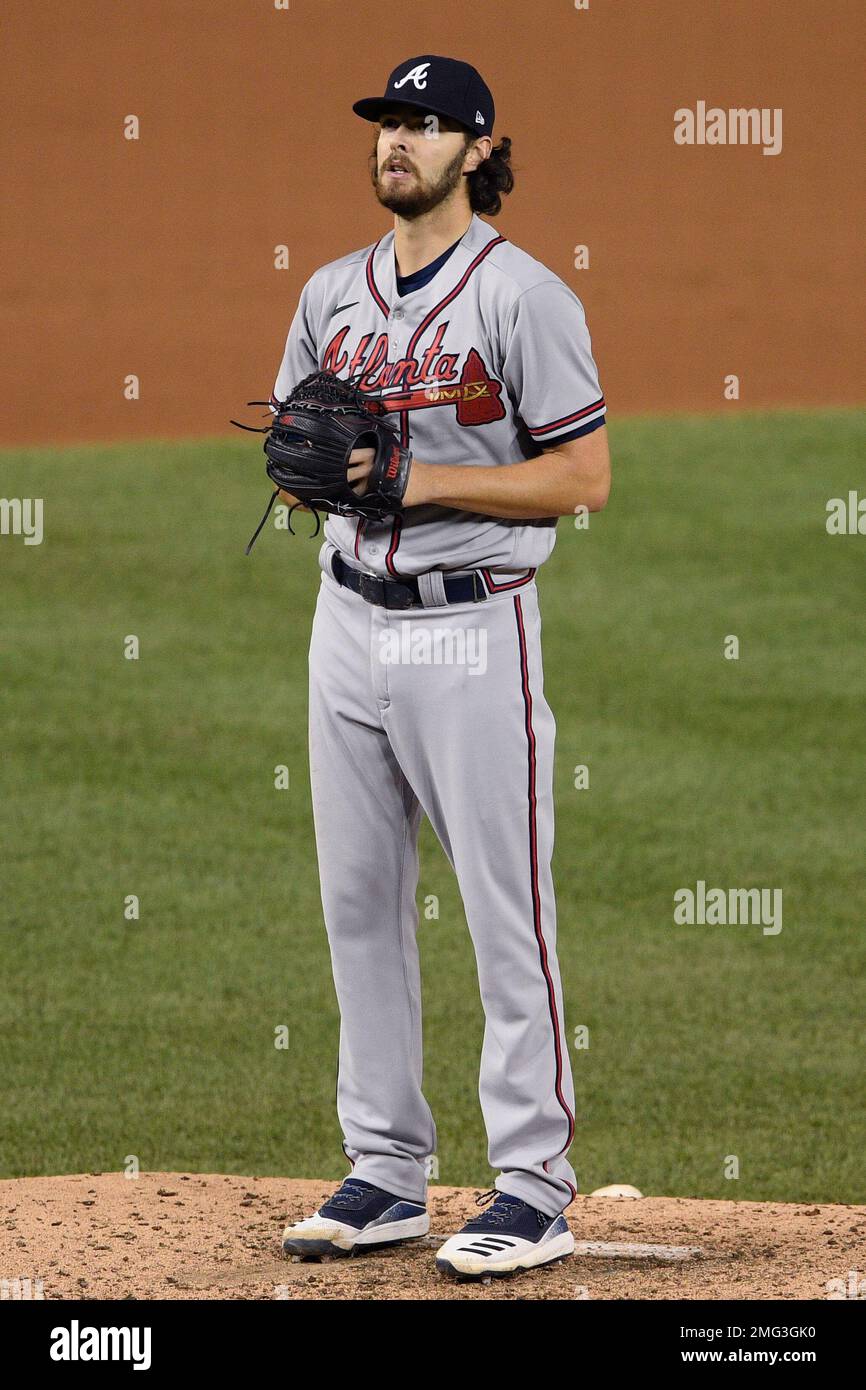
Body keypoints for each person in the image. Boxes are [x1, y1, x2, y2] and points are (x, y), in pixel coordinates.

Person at [278, 54, 610, 1280]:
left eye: (422, 125)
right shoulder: (328, 294)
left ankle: (531, 1183)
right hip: (345, 622)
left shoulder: (524, 299)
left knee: (499, 908)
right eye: (384, 124)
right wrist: (307, 467)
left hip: (472, 625)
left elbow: (581, 478)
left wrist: (421, 478)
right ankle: (384, 1172)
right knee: (357, 899)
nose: (396, 142)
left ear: (477, 149)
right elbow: (293, 447)